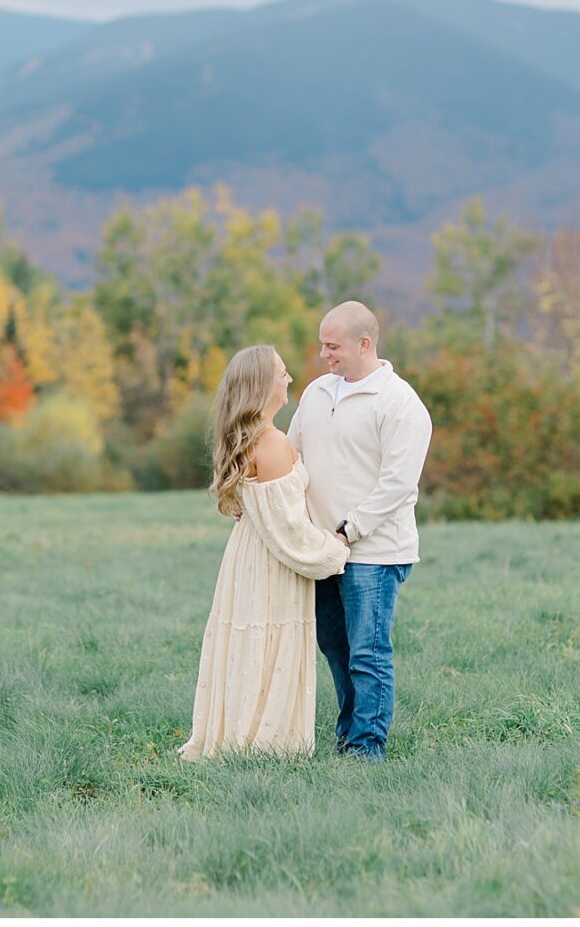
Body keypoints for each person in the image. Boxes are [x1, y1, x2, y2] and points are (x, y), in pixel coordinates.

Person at [179, 344, 350, 761]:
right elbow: (289, 532)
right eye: (282, 372)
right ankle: (265, 742)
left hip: (251, 554)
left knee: (253, 640)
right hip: (270, 563)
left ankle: (241, 733)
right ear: (261, 384)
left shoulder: (256, 438)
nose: (289, 378)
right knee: (265, 640)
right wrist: (337, 547)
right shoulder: (270, 443)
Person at [288, 301, 432, 761]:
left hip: (373, 552)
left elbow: (398, 483)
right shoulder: (316, 393)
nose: (324, 354)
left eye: (333, 346)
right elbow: (292, 457)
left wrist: (349, 531)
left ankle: (367, 748)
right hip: (320, 549)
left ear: (364, 344)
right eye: (322, 345)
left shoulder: (400, 403)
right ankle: (349, 732)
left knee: (367, 652)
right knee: (334, 645)